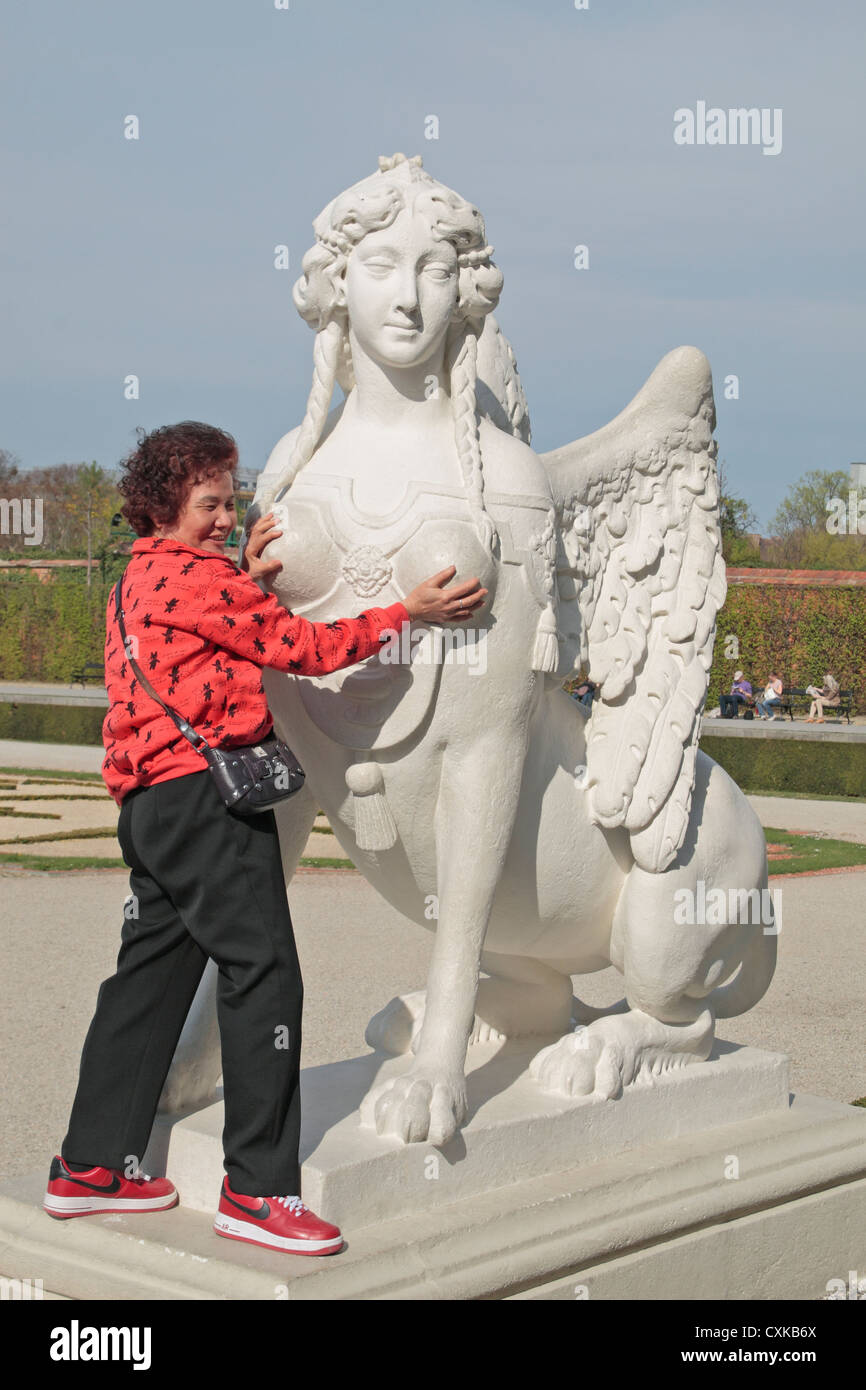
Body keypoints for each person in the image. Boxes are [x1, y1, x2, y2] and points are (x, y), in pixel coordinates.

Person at [44, 420, 487, 1255]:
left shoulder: (138, 576)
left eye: (230, 500)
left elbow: (201, 632)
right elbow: (310, 649)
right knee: (266, 979)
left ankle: (90, 1167)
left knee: (146, 984)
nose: (227, 517)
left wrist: (240, 576)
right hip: (209, 803)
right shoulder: (206, 580)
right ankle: (257, 1191)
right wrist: (411, 610)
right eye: (210, 505)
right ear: (163, 507)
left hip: (150, 808)